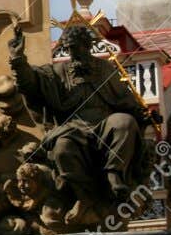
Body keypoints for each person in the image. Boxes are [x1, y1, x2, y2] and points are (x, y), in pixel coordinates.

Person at [9, 24, 156, 222]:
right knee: (62, 149)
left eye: (77, 47)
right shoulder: (57, 72)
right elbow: (30, 83)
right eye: (69, 48)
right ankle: (84, 197)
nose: (74, 52)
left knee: (124, 121)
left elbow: (125, 100)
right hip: (73, 126)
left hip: (105, 122)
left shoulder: (105, 68)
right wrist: (18, 60)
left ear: (88, 45)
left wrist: (143, 116)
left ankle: (114, 173)